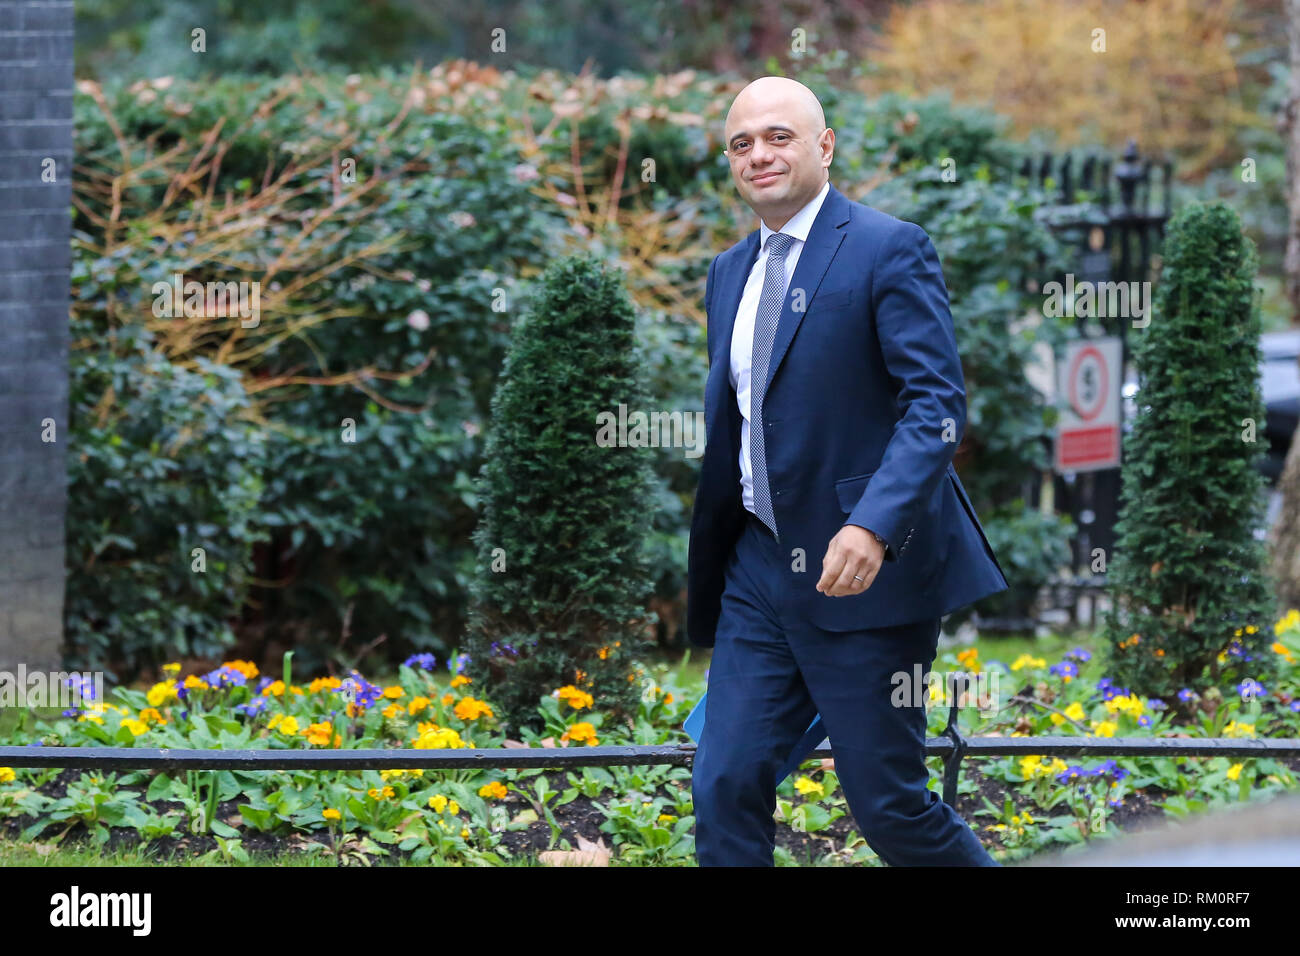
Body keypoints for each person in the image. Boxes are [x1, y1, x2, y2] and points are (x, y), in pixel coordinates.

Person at [686, 76, 1010, 866]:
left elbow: (934, 404)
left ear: (824, 146)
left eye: (778, 136)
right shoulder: (729, 272)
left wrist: (873, 524)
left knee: (890, 807)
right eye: (741, 143)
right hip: (760, 568)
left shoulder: (887, 247)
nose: (758, 154)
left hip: (866, 573)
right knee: (723, 779)